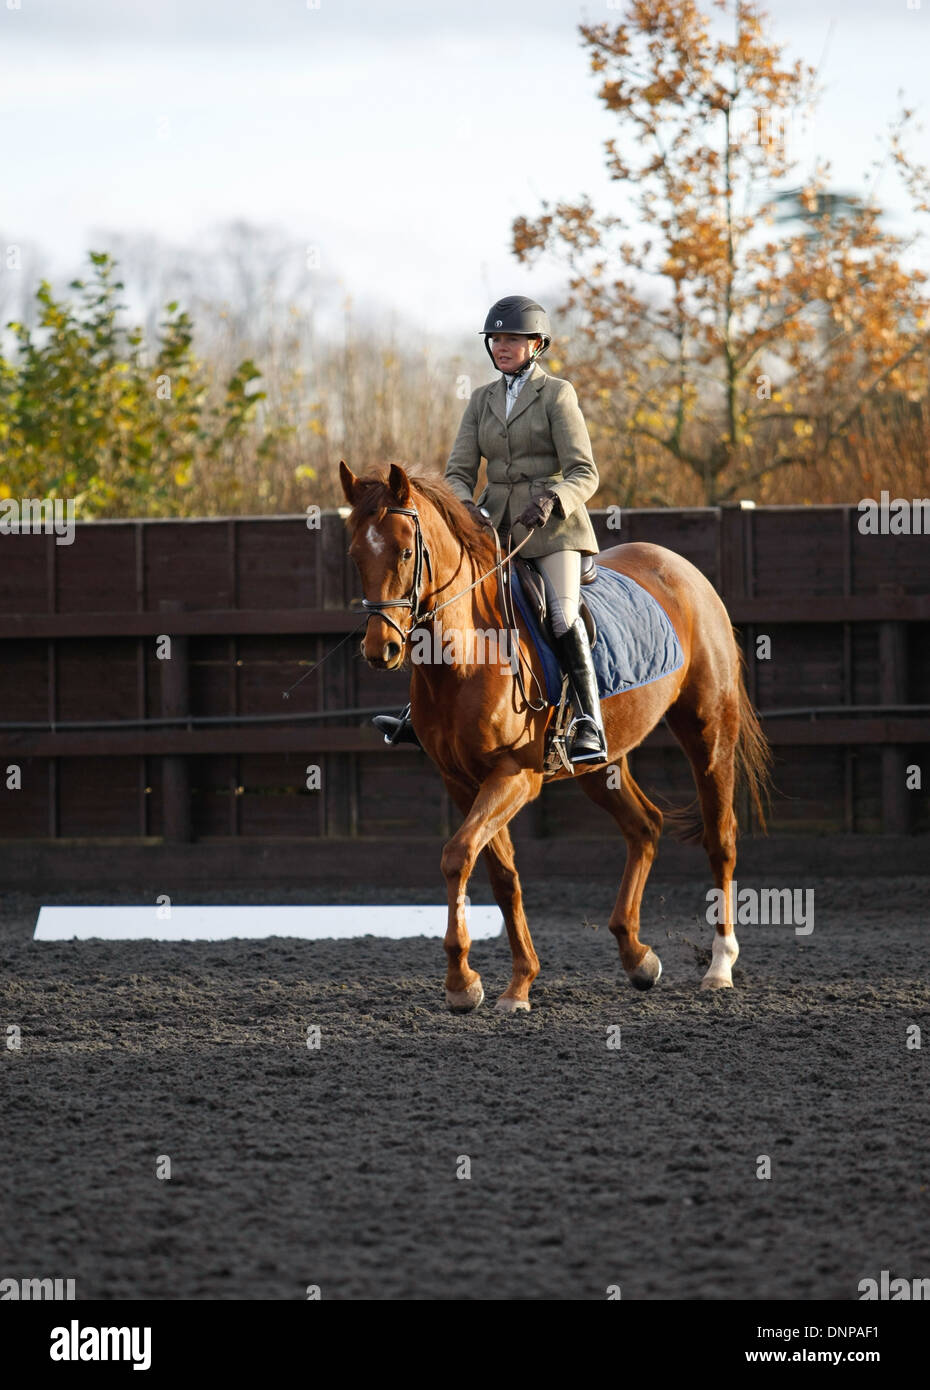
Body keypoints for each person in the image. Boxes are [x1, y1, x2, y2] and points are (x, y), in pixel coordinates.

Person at [373, 294, 608, 764]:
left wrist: (553, 497)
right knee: (447, 603)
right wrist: (465, 508)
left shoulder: (558, 394)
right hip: (491, 528)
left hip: (552, 531)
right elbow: (457, 471)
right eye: (496, 338)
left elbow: (585, 471)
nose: (502, 346)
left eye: (512, 339)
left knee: (560, 615)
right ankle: (419, 712)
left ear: (536, 344)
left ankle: (588, 721)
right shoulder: (481, 400)